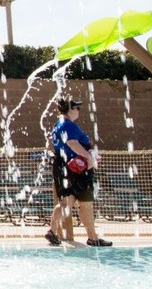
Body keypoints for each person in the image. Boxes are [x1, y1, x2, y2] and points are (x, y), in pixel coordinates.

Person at [46, 99, 112, 247]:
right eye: (77, 108)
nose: (79, 111)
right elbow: (72, 143)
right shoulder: (69, 125)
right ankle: (93, 238)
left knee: (65, 203)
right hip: (76, 168)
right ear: (70, 110)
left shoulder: (58, 125)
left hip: (62, 165)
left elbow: (56, 145)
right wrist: (88, 157)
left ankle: (52, 231)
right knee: (85, 203)